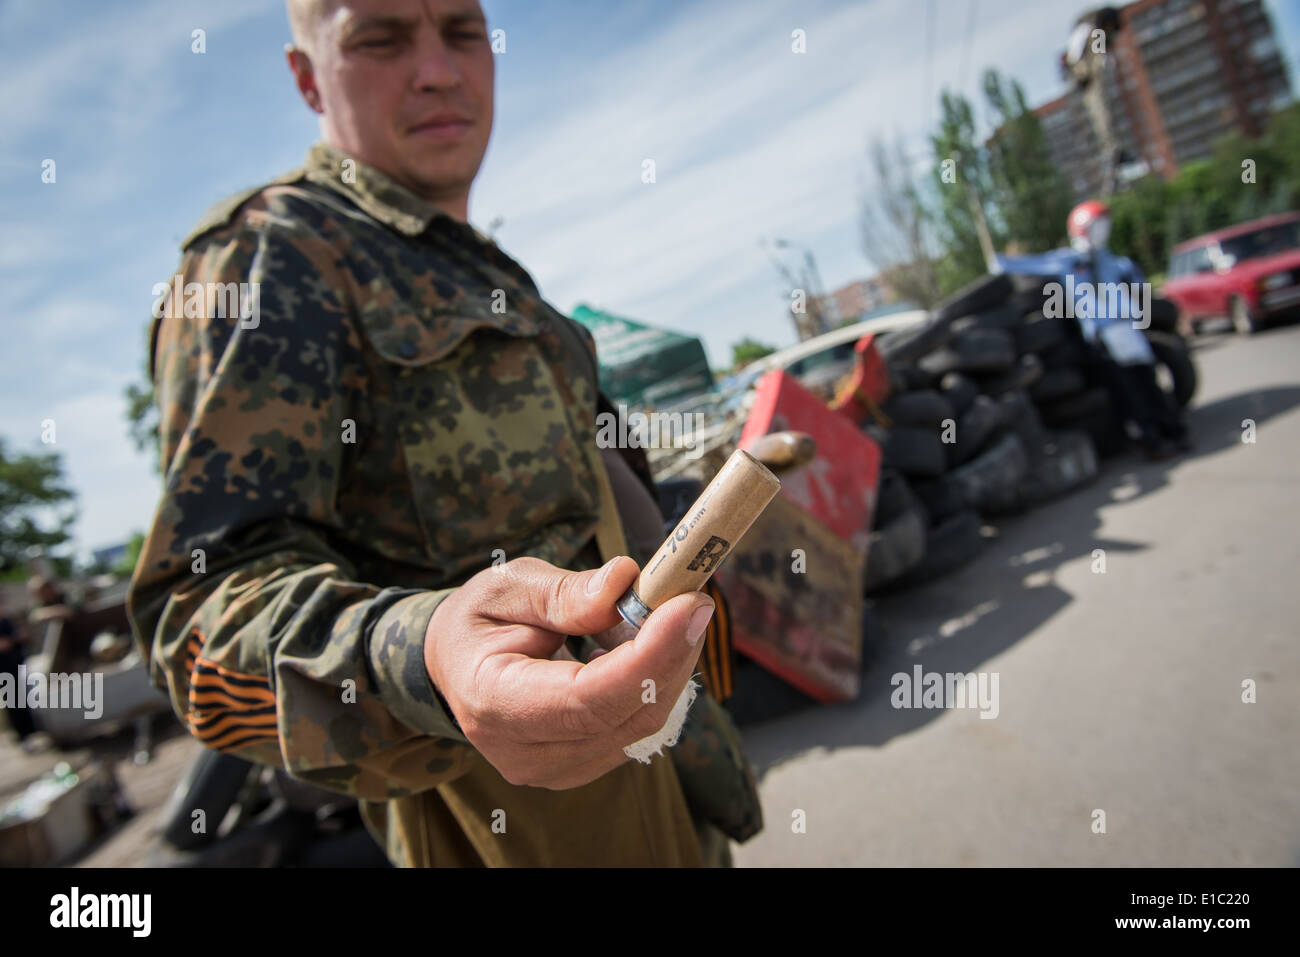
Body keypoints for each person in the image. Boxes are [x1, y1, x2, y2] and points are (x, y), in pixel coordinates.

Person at [127, 0, 759, 867]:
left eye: (461, 30)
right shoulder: (275, 259)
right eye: (380, 38)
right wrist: (427, 658)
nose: (437, 69)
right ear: (308, 77)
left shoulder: (483, 270)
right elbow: (195, 615)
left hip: (671, 796)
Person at [1065, 199, 1191, 460]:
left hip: (1130, 329)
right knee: (1132, 393)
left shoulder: (1112, 261)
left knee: (1148, 383)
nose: (1104, 231)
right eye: (1098, 226)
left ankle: (1172, 431)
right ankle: (1152, 441)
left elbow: (1136, 284)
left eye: (1105, 225)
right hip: (1107, 337)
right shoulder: (1074, 265)